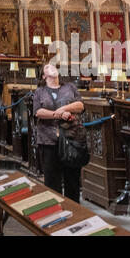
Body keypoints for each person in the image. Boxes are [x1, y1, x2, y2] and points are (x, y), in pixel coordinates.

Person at [31, 62, 85, 201]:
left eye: (53, 66)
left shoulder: (69, 87)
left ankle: (74, 212)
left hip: (70, 139)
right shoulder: (40, 92)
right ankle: (54, 213)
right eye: (48, 67)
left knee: (72, 181)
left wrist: (64, 109)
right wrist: (58, 114)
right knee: (52, 182)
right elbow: (38, 112)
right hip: (49, 140)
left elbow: (80, 105)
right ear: (43, 76)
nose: (52, 68)